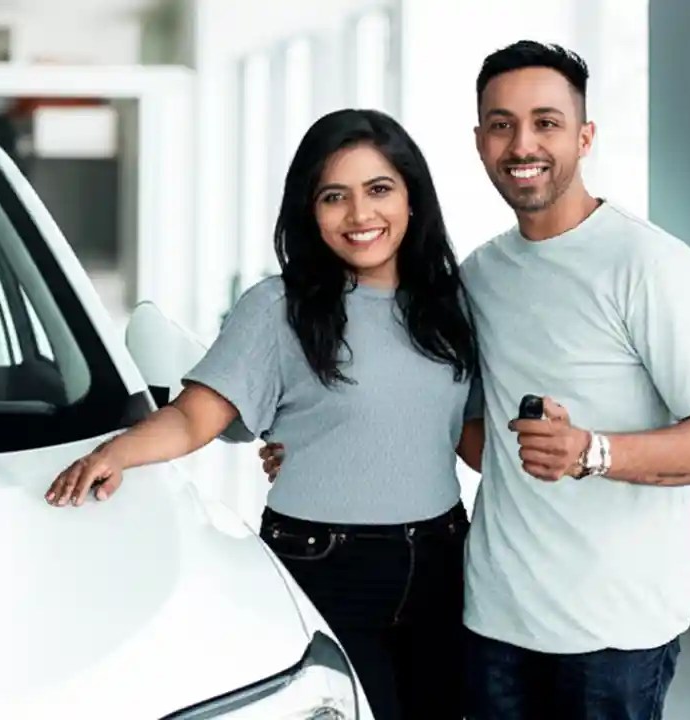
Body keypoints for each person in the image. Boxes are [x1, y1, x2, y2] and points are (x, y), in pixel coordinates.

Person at [262, 40, 690, 719]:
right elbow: (468, 431)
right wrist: (324, 444)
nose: (523, 144)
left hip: (613, 631)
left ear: (584, 137)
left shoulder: (651, 265)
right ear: (480, 142)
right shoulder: (478, 278)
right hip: (492, 617)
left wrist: (591, 452)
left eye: (546, 122)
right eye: (502, 124)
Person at [45, 107, 484, 720]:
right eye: (335, 197)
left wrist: (579, 455)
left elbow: (467, 438)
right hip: (325, 564)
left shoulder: (450, 306)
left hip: (443, 559)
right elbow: (195, 417)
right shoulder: (278, 307)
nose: (360, 214)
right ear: (310, 210)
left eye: (379, 189)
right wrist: (113, 453)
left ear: (413, 198)